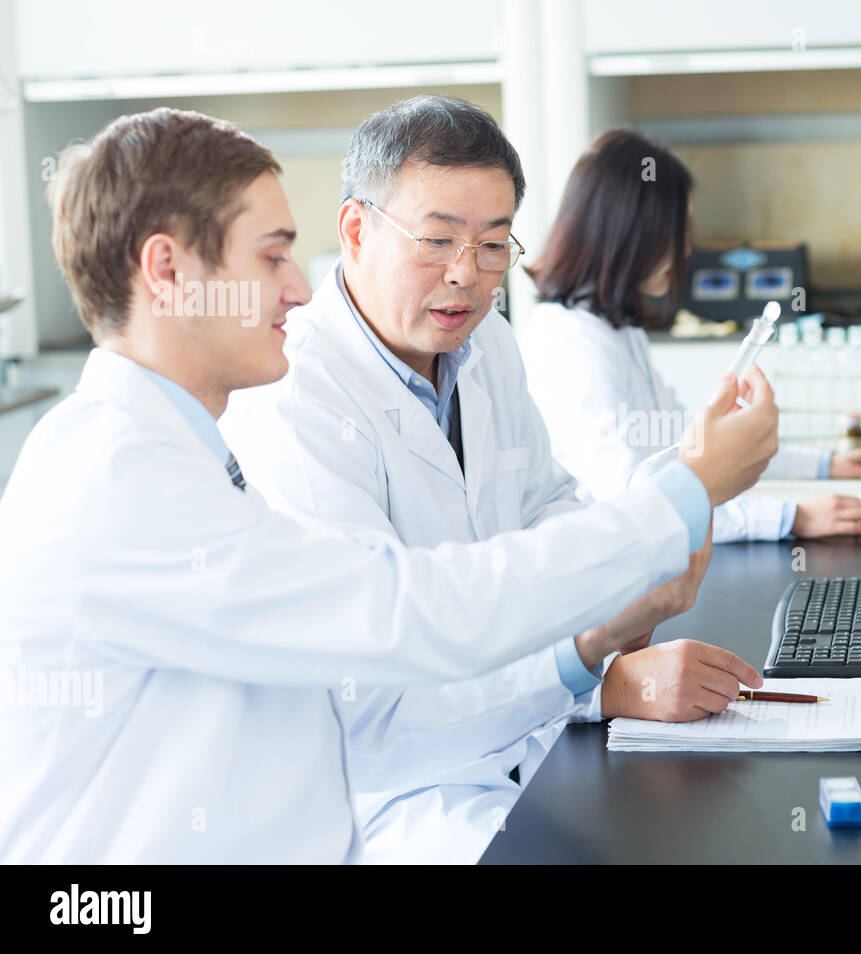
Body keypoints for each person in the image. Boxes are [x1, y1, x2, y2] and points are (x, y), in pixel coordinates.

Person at [0, 108, 777, 863]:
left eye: (494, 243)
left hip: (444, 769)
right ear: (168, 271)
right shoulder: (122, 480)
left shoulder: (174, 451)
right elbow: (406, 615)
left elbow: (515, 533)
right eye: (271, 258)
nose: (299, 291)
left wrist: (609, 616)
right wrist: (680, 499)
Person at [219, 96, 767, 863]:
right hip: (390, 804)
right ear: (355, 230)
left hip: (521, 742)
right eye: (438, 239)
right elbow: (379, 704)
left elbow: (548, 507)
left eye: (492, 245)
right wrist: (590, 665)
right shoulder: (295, 400)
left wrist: (623, 606)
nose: (466, 277)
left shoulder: (490, 348)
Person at [519, 129, 861, 544]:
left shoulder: (613, 328)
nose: (685, 249)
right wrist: (791, 518)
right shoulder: (569, 344)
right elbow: (638, 501)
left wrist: (824, 464)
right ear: (628, 232)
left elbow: (685, 440)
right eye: (675, 231)